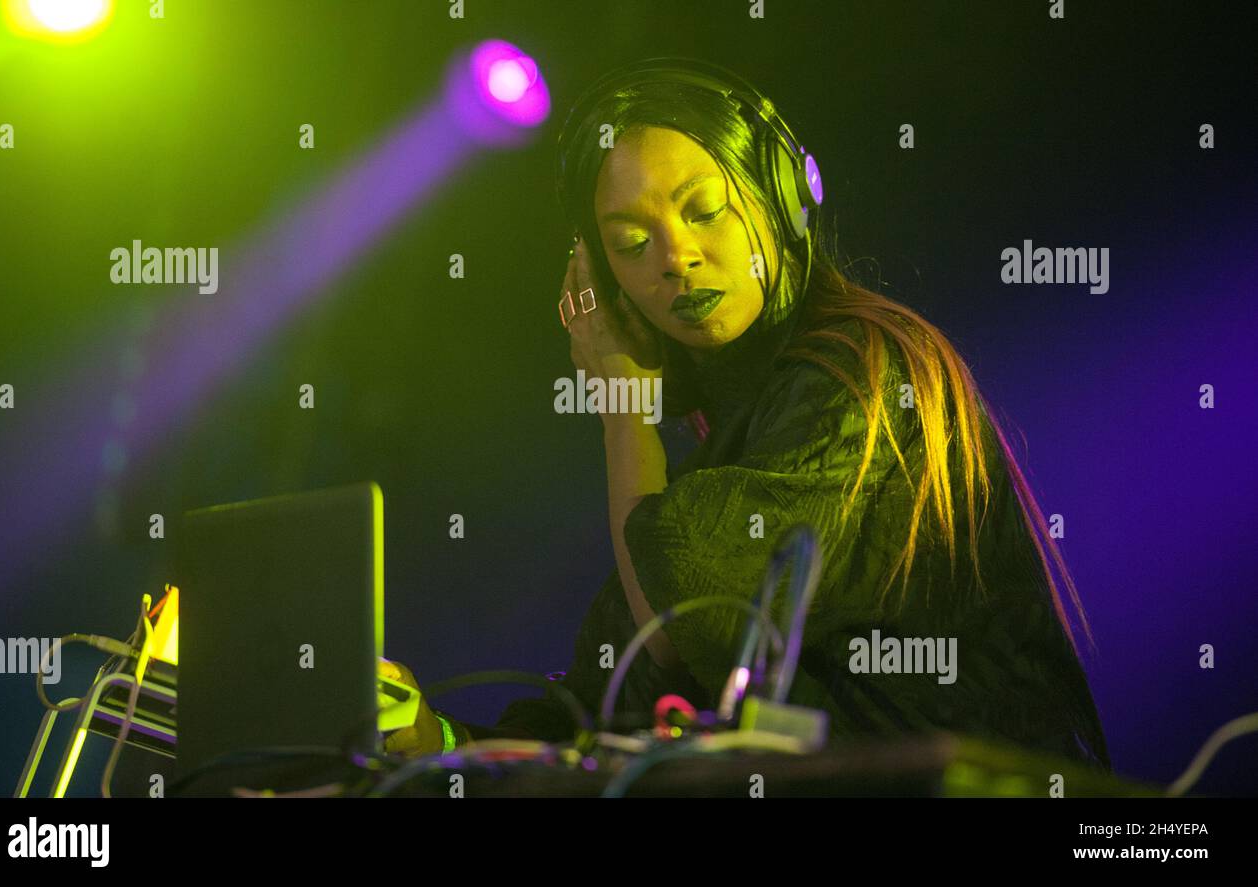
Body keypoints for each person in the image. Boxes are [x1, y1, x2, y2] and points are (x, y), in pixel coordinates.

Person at [384, 59, 1111, 773]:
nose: (676, 255)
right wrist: (431, 739)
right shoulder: (724, 462)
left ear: (788, 193)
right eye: (632, 244)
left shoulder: (865, 370)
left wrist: (622, 405)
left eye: (704, 209)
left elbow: (688, 620)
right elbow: (599, 717)